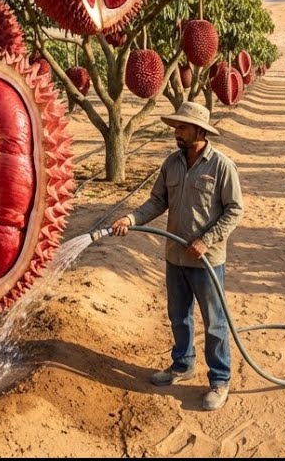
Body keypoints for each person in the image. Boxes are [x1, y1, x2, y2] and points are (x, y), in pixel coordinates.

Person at [110, 101, 244, 410]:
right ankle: (183, 364)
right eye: (176, 127)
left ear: (199, 131)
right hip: (175, 256)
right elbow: (158, 201)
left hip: (206, 260)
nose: (176, 133)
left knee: (214, 323)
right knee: (179, 316)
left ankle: (219, 379)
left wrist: (206, 240)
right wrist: (131, 218)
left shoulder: (221, 166)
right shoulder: (171, 163)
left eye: (182, 128)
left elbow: (234, 210)